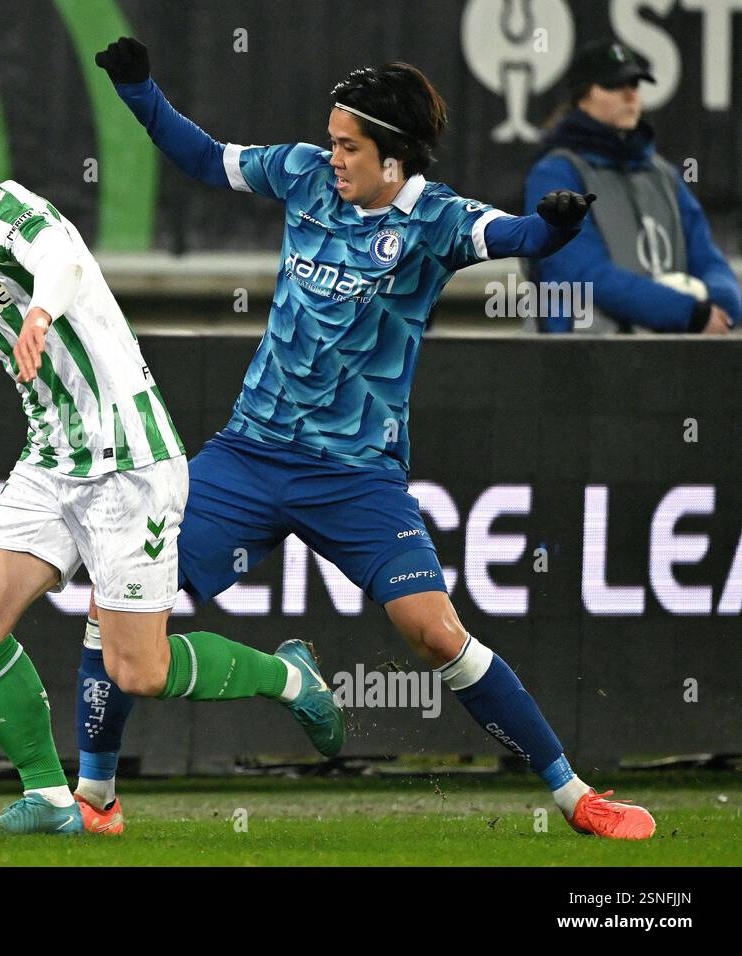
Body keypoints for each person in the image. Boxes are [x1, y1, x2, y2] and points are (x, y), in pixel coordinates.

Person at [68, 37, 656, 840]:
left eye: (349, 145)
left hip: (356, 477)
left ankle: (575, 797)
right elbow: (204, 157)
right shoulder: (305, 173)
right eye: (333, 140)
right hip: (250, 454)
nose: (332, 155)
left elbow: (516, 239)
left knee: (436, 633)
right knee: (119, 602)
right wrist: (140, 88)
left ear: (394, 158)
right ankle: (95, 802)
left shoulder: (437, 220)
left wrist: (552, 231)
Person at [0, 119, 343, 836]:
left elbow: (63, 264)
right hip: (50, 467)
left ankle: (291, 679)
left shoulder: (17, 214)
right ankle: (49, 798)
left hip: (130, 464)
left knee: (141, 671)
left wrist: (40, 311)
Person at [524, 39, 740, 334]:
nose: (630, 95)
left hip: (670, 359)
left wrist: (722, 303)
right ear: (581, 97)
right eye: (614, 85)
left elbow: (708, 258)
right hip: (580, 361)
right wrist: (687, 312)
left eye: (635, 85)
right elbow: (584, 275)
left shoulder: (664, 176)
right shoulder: (555, 174)